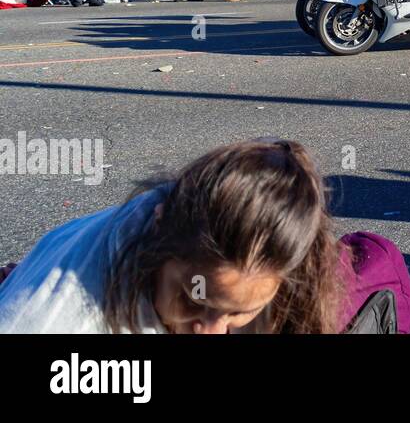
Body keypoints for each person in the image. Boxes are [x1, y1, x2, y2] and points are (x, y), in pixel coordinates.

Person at [0, 140, 344, 333]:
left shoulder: (181, 215)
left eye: (240, 313)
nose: (210, 332)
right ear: (158, 234)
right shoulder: (56, 324)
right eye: (194, 300)